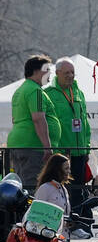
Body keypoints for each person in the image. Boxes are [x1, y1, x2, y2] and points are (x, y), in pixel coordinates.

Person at [7, 55, 61, 188]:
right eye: (47, 69)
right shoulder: (35, 91)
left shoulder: (20, 91)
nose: (50, 73)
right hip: (33, 147)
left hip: (19, 144)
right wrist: (47, 147)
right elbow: (38, 118)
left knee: (22, 186)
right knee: (33, 186)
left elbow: (15, 119)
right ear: (36, 71)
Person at [45, 58, 92, 198]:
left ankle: (78, 212)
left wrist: (87, 148)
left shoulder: (79, 93)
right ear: (57, 73)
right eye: (66, 73)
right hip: (61, 154)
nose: (70, 76)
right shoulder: (48, 93)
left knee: (78, 193)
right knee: (62, 192)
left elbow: (85, 123)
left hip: (80, 153)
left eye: (72, 72)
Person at [33, 153, 73, 219]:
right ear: (57, 170)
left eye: (69, 168)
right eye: (66, 168)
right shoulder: (45, 188)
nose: (69, 171)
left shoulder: (64, 189)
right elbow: (36, 214)